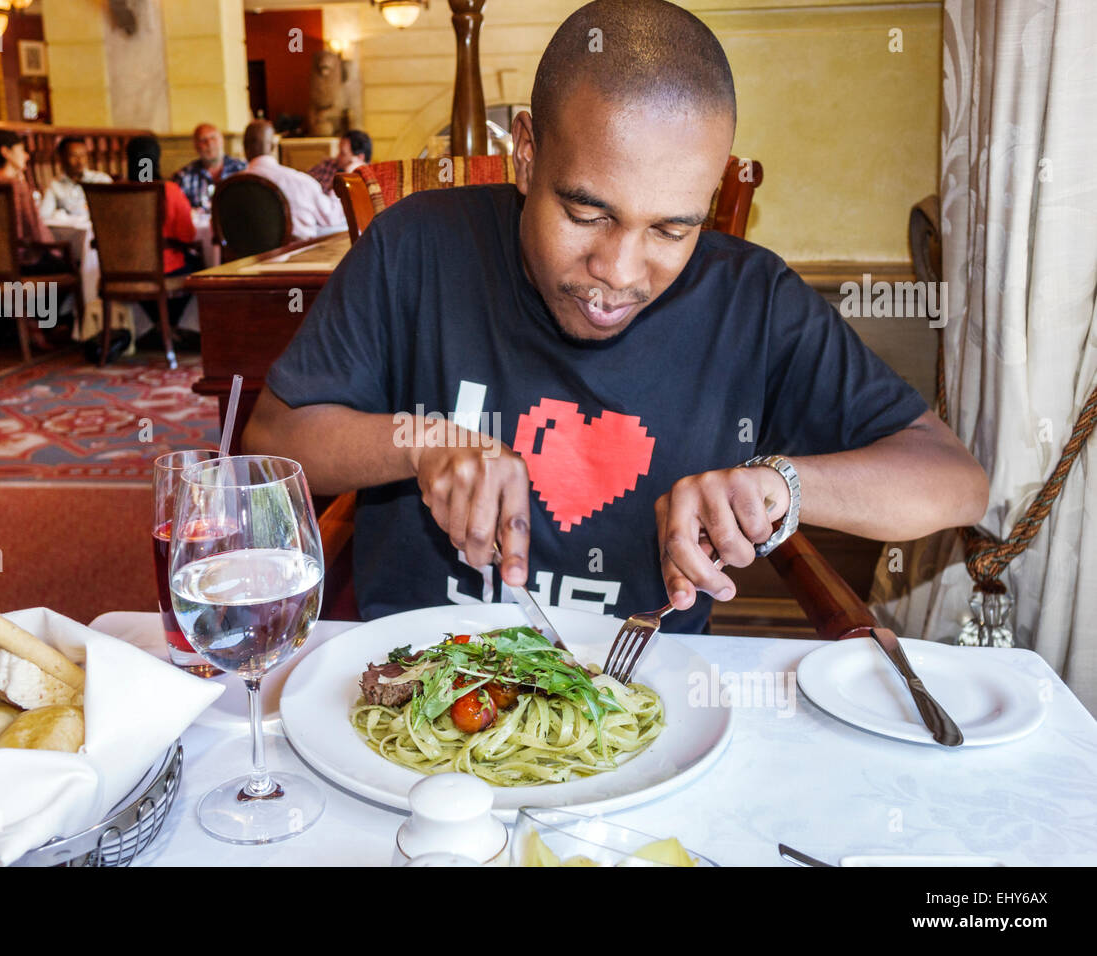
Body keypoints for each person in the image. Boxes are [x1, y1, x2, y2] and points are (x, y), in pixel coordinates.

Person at [243, 0, 990, 626]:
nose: (620, 272)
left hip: (644, 710)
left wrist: (777, 486)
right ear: (527, 153)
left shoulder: (750, 300)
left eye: (673, 228)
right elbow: (274, 440)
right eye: (585, 212)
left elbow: (955, 481)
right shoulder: (418, 246)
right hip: (414, 696)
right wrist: (421, 441)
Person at [0, 129, 66, 351]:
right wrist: (60, 252)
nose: (26, 156)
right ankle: (44, 325)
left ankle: (31, 323)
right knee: (66, 264)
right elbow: (37, 233)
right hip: (18, 264)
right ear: (6, 152)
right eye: (21, 150)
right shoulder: (16, 186)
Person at [126, 136, 200, 352]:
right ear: (157, 159)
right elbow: (187, 235)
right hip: (164, 270)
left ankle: (157, 327)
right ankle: (174, 327)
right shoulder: (169, 190)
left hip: (127, 269)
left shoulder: (117, 192)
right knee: (200, 267)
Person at [242, 120, 347, 240]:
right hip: (298, 255)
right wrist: (337, 189)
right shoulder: (301, 182)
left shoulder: (229, 188)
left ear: (244, 147)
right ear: (272, 146)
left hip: (245, 258)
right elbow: (332, 218)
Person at [171, 123, 246, 211]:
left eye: (213, 138)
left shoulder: (242, 170)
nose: (209, 144)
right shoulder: (183, 176)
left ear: (222, 141)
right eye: (203, 140)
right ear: (196, 147)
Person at [38, 136, 112, 220]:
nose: (80, 161)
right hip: (70, 231)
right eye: (74, 156)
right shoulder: (55, 185)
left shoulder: (101, 180)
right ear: (62, 158)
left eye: (83, 155)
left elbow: (113, 209)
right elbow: (44, 215)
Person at [307, 129, 373, 194]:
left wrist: (350, 174)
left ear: (359, 158)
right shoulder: (328, 165)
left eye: (343, 153)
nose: (337, 156)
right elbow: (304, 184)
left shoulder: (372, 180)